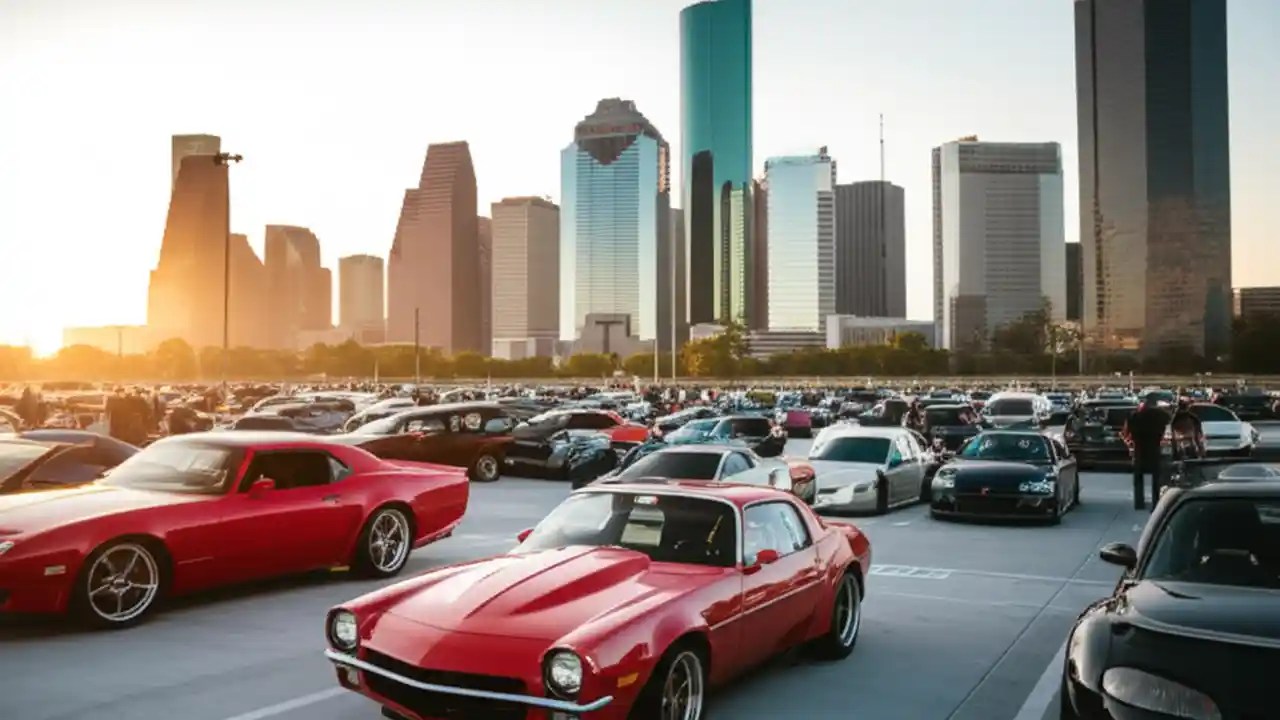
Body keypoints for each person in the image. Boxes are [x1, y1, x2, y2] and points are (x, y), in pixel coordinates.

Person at [1121, 399, 1171, 510]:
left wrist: (1130, 443)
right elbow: (1167, 429)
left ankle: (1139, 503)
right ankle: (1156, 501)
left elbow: (1126, 432)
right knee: (1156, 478)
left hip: (1139, 448)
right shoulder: (1161, 416)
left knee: (1138, 477)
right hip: (1155, 448)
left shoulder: (1134, 416)